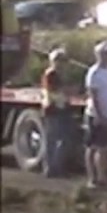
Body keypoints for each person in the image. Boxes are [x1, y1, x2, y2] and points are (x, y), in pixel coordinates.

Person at [84, 39, 107, 190]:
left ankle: (104, 178)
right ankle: (93, 179)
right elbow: (93, 95)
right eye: (106, 53)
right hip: (97, 114)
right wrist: (100, 116)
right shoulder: (94, 72)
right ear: (99, 55)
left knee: (105, 148)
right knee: (94, 147)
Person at [40, 48, 74, 178]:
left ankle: (58, 166)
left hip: (62, 108)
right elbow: (53, 92)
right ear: (53, 61)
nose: (62, 63)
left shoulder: (62, 75)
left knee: (63, 139)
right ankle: (50, 168)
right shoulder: (50, 74)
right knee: (52, 140)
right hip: (53, 109)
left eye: (63, 60)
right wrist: (67, 91)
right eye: (59, 60)